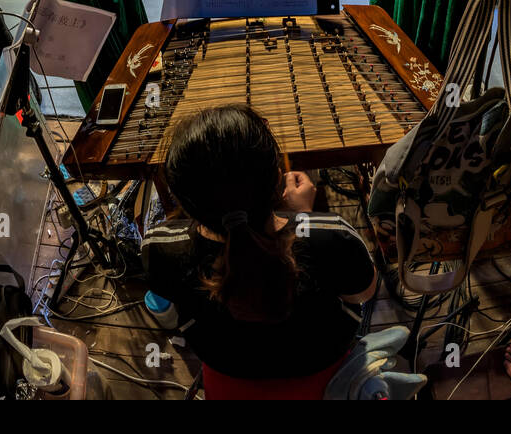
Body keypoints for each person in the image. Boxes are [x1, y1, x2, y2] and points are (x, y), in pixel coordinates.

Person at [141, 104, 378, 399]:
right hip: (321, 358)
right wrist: (304, 217)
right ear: (278, 182)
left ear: (185, 203)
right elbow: (363, 294)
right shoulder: (333, 236)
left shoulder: (158, 247)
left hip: (224, 361)